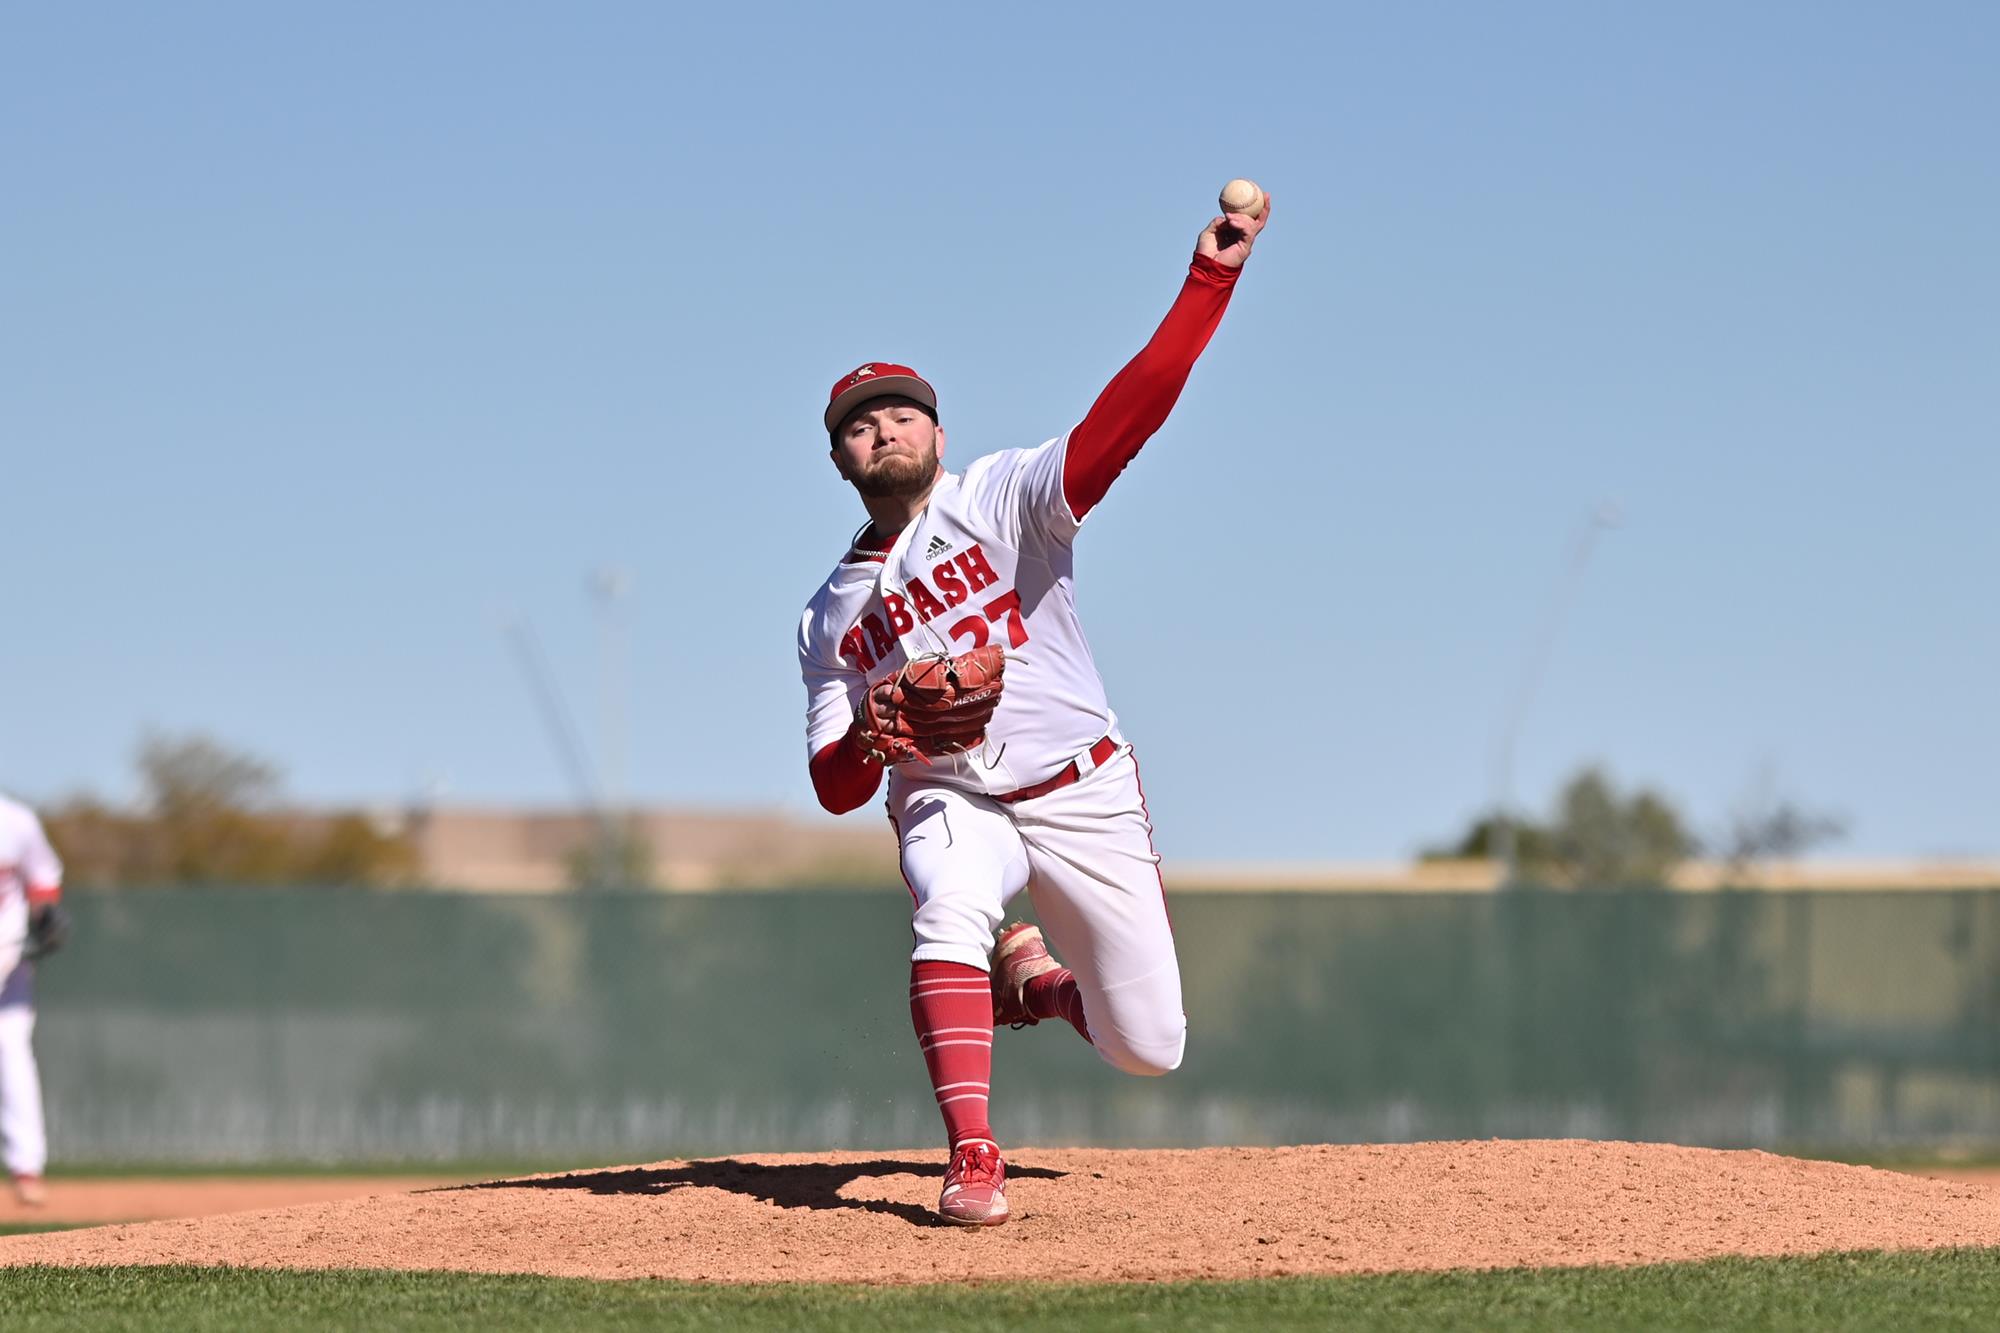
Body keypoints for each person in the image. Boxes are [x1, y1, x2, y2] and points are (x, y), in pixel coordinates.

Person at [796, 190, 1271, 1225]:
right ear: (839, 460)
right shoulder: (826, 614)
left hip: (1079, 784)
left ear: (938, 430)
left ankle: (1040, 987)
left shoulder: (1003, 498)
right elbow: (832, 784)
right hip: (945, 793)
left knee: (1150, 1046)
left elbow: (1128, 413)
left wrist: (1209, 278)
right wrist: (874, 741)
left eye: (900, 411)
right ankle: (972, 1153)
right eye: (858, 425)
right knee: (947, 909)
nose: (882, 428)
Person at [0, 793, 66, 1207]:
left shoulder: (14, 819)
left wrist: (44, 915)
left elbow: (42, 875)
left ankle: (27, 1168)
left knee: (12, 1050)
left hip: (9, 946)